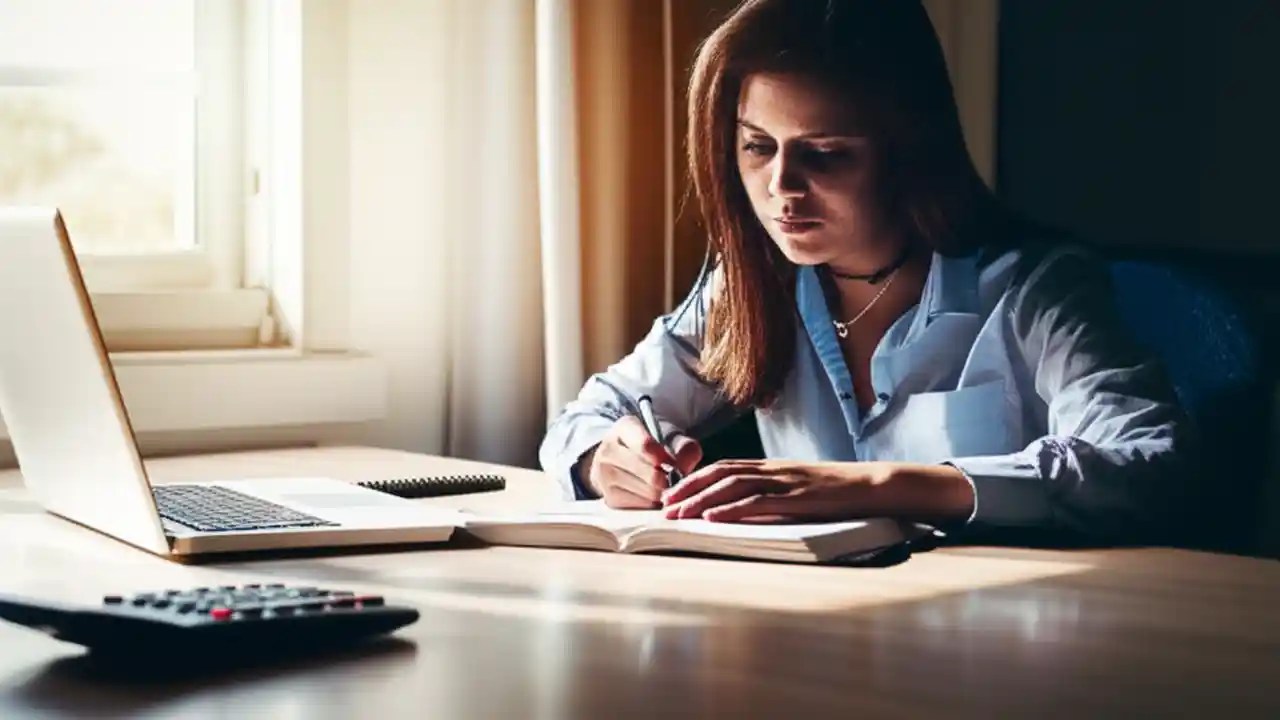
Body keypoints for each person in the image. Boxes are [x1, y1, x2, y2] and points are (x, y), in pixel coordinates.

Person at [538, 0, 1191, 542]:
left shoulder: (1032, 287)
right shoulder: (754, 285)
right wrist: (608, 460)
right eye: (757, 147)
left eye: (824, 154)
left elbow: (1148, 463)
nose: (781, 187)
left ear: (908, 151)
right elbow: (585, 419)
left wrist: (886, 485)